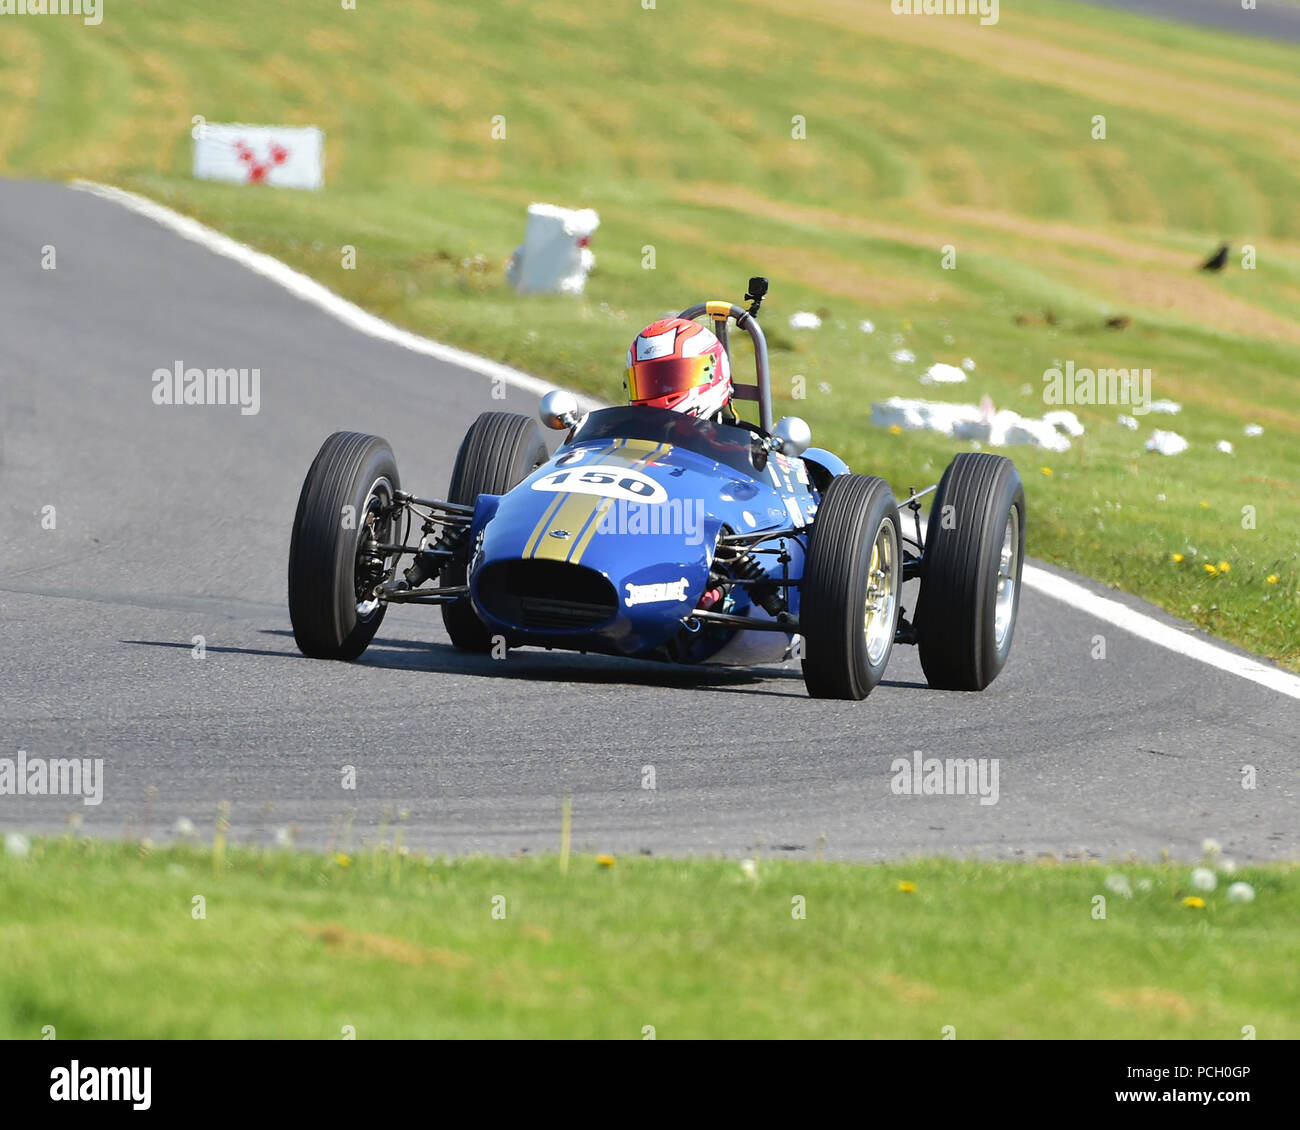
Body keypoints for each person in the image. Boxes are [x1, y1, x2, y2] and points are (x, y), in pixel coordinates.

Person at [624, 318, 734, 422]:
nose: (658, 392)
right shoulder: (625, 437)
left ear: (712, 371)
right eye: (648, 382)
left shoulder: (737, 440)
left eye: (671, 379)